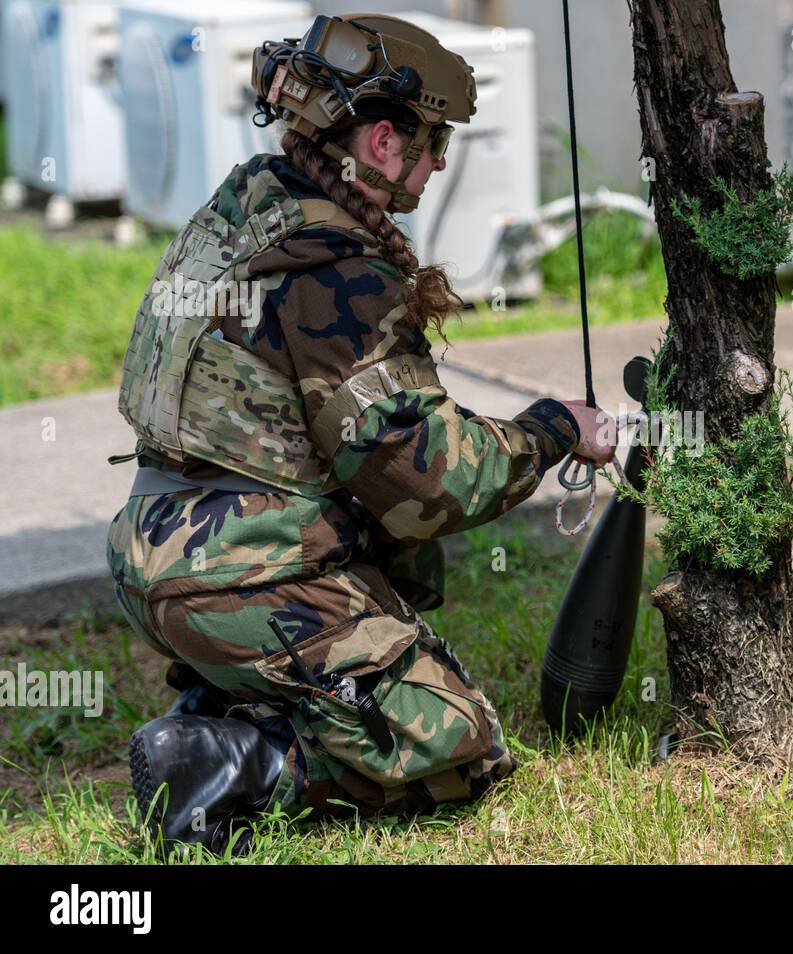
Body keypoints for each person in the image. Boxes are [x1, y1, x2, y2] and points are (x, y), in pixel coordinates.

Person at [105, 12, 615, 856]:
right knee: (459, 747)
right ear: (384, 143)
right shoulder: (339, 271)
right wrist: (555, 429)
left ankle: (226, 702)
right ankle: (223, 761)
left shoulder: (249, 207)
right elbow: (428, 484)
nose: (439, 162)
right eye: (433, 141)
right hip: (236, 577)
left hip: (154, 554)